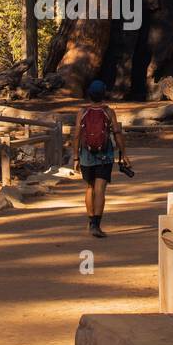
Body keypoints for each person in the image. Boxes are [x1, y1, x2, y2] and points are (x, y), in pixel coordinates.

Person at [71, 79, 131, 238]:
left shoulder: (82, 112)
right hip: (105, 154)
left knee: (90, 187)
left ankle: (91, 222)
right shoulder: (108, 111)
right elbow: (117, 133)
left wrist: (76, 157)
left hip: (86, 155)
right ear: (103, 94)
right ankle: (97, 225)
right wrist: (124, 154)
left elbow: (77, 135)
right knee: (100, 189)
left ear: (89, 95)